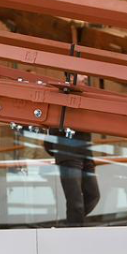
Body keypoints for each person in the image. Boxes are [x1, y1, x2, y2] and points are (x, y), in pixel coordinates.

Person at [44, 75, 100, 226]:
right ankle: (73, 228)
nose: (87, 77)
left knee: (93, 195)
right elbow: (51, 132)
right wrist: (60, 152)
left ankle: (71, 224)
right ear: (70, 77)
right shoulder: (60, 100)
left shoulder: (86, 99)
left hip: (85, 153)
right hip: (68, 154)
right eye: (82, 75)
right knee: (75, 201)